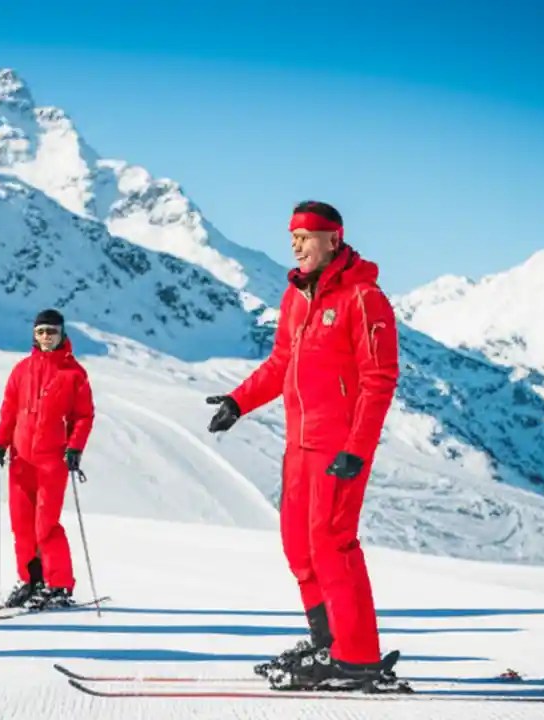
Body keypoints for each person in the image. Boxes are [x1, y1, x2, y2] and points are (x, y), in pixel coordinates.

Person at [206, 201, 400, 690]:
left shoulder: (363, 298)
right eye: (292, 235)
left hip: (339, 447)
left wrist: (357, 448)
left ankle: (356, 658)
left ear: (334, 239)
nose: (296, 244)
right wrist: (238, 401)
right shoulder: (296, 298)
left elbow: (379, 380)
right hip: (300, 444)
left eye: (306, 236)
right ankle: (328, 643)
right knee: (300, 548)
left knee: (333, 545)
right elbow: (280, 364)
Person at [0, 309, 94, 610]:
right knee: (21, 525)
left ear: (63, 334)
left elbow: (84, 416)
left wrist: (74, 447)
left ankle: (59, 585)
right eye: (41, 332)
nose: (46, 336)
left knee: (44, 526)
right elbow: (9, 410)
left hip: (52, 461)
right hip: (21, 459)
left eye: (52, 331)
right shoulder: (21, 370)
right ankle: (31, 580)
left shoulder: (74, 374)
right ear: (34, 335)